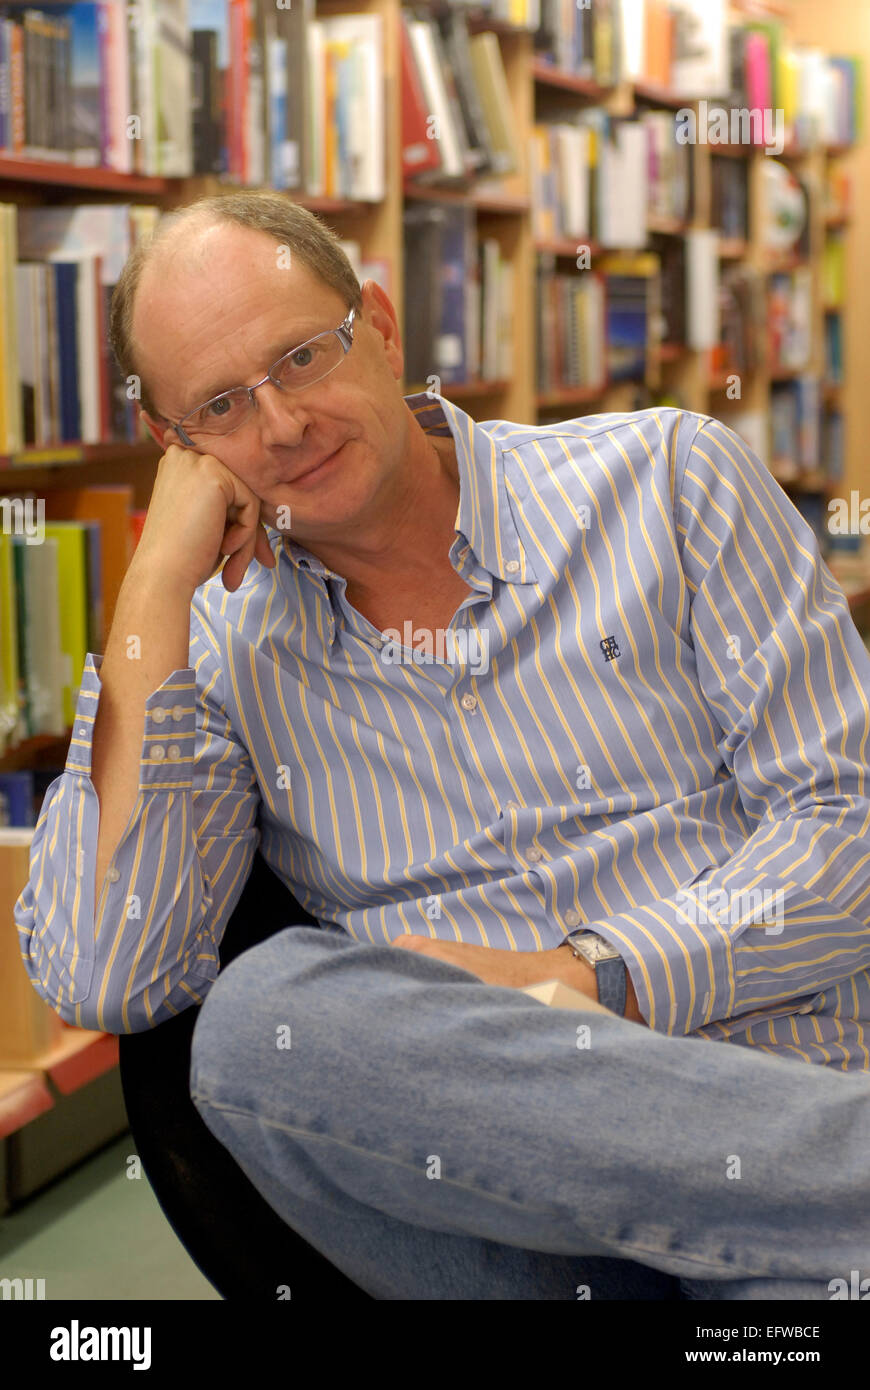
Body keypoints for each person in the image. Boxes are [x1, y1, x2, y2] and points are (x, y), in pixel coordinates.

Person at [15, 190, 870, 1301]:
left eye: (303, 358)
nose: (280, 426)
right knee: (255, 1025)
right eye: (222, 407)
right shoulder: (218, 653)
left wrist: (587, 978)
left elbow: (846, 823)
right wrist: (151, 590)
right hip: (523, 1229)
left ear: (380, 325)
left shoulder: (668, 477)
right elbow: (107, 972)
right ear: (178, 448)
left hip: (786, 1093)